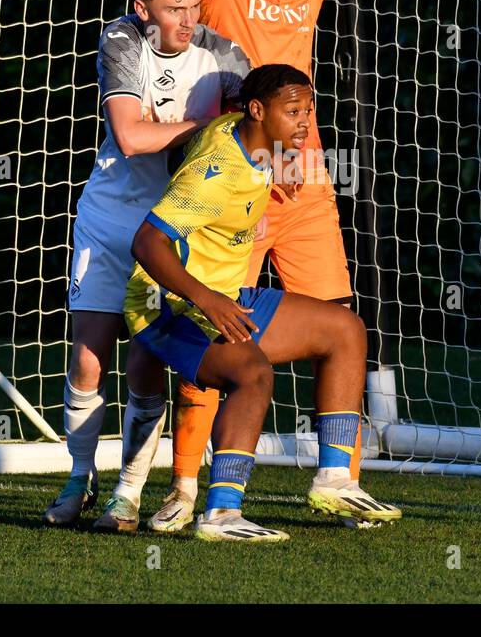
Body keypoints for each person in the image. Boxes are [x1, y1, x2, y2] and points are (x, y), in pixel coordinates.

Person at [146, 0, 402, 532]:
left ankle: (341, 484)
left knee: (337, 324)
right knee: (214, 331)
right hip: (235, 187)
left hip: (307, 183)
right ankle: (187, 489)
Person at [123, 64, 401, 541]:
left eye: (309, 111)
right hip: (166, 305)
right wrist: (207, 298)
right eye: (293, 111)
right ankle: (221, 514)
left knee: (344, 330)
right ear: (257, 110)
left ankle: (335, 480)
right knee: (252, 373)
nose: (304, 123)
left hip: (224, 295)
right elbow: (147, 243)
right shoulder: (216, 175)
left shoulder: (250, 137)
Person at [42, 0, 249, 531]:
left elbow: (249, 137)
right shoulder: (121, 39)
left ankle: (127, 495)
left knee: (145, 361)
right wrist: (211, 128)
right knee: (88, 357)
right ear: (142, 9)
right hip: (110, 214)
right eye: (172, 9)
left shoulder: (225, 56)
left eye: (193, 7)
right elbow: (131, 138)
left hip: (172, 224)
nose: (187, 21)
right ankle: (79, 479)